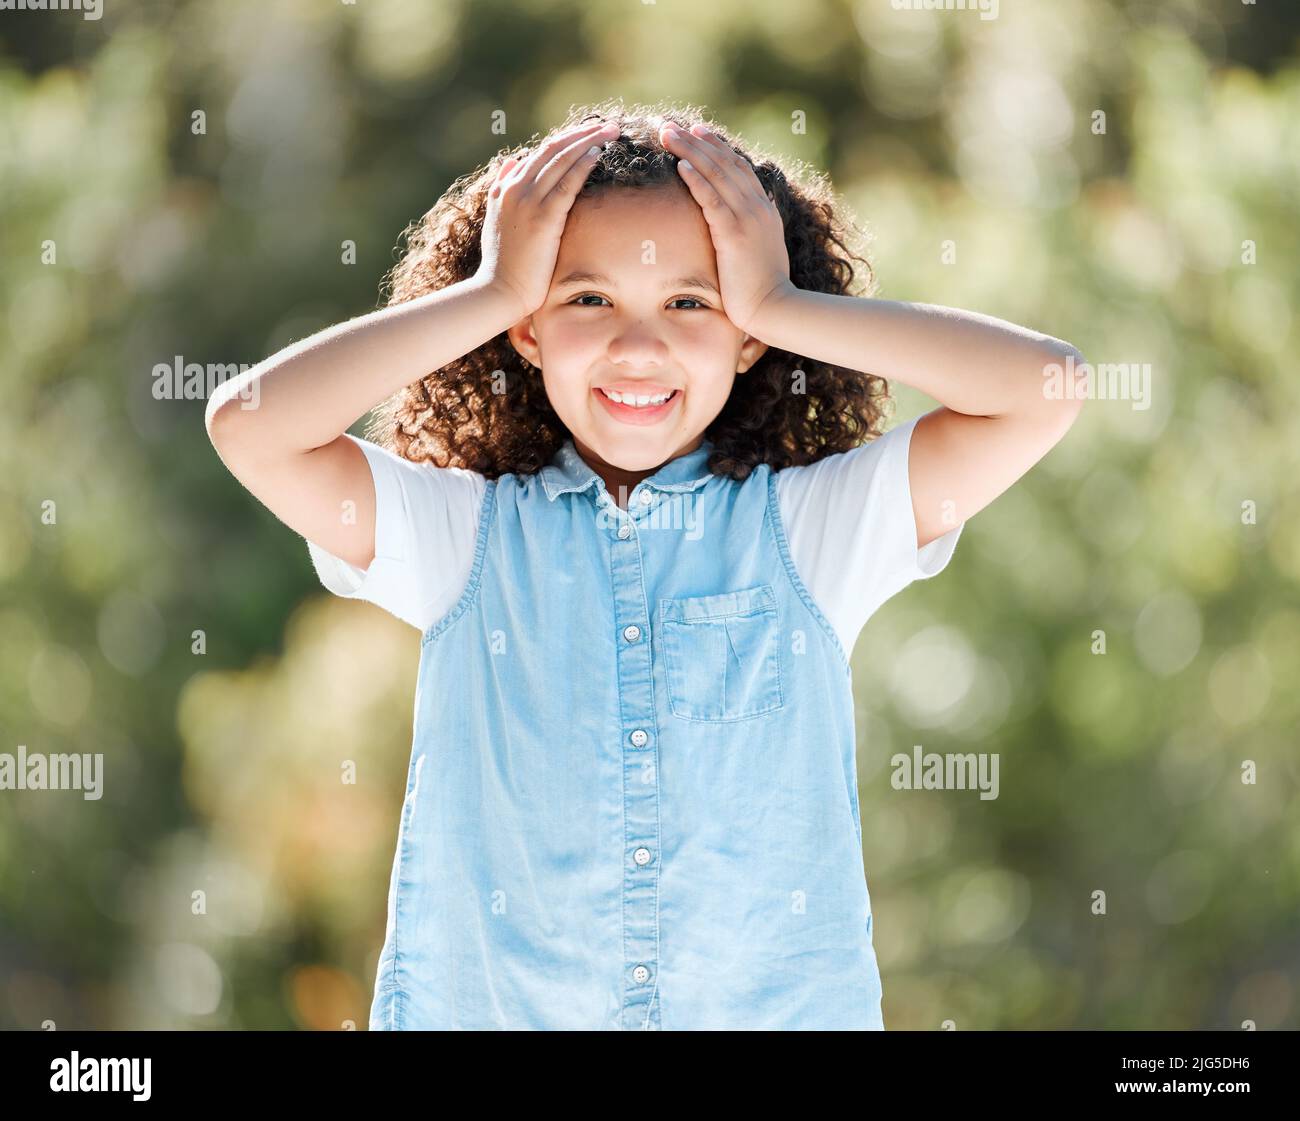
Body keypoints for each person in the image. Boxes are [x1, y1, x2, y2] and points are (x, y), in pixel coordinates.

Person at [205, 100, 1087, 1030]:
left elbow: (1046, 389)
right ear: (529, 331)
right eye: (586, 298)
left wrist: (785, 306)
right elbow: (251, 427)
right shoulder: (462, 535)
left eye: (691, 301)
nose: (639, 344)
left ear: (747, 338)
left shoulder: (815, 528)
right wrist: (489, 294)